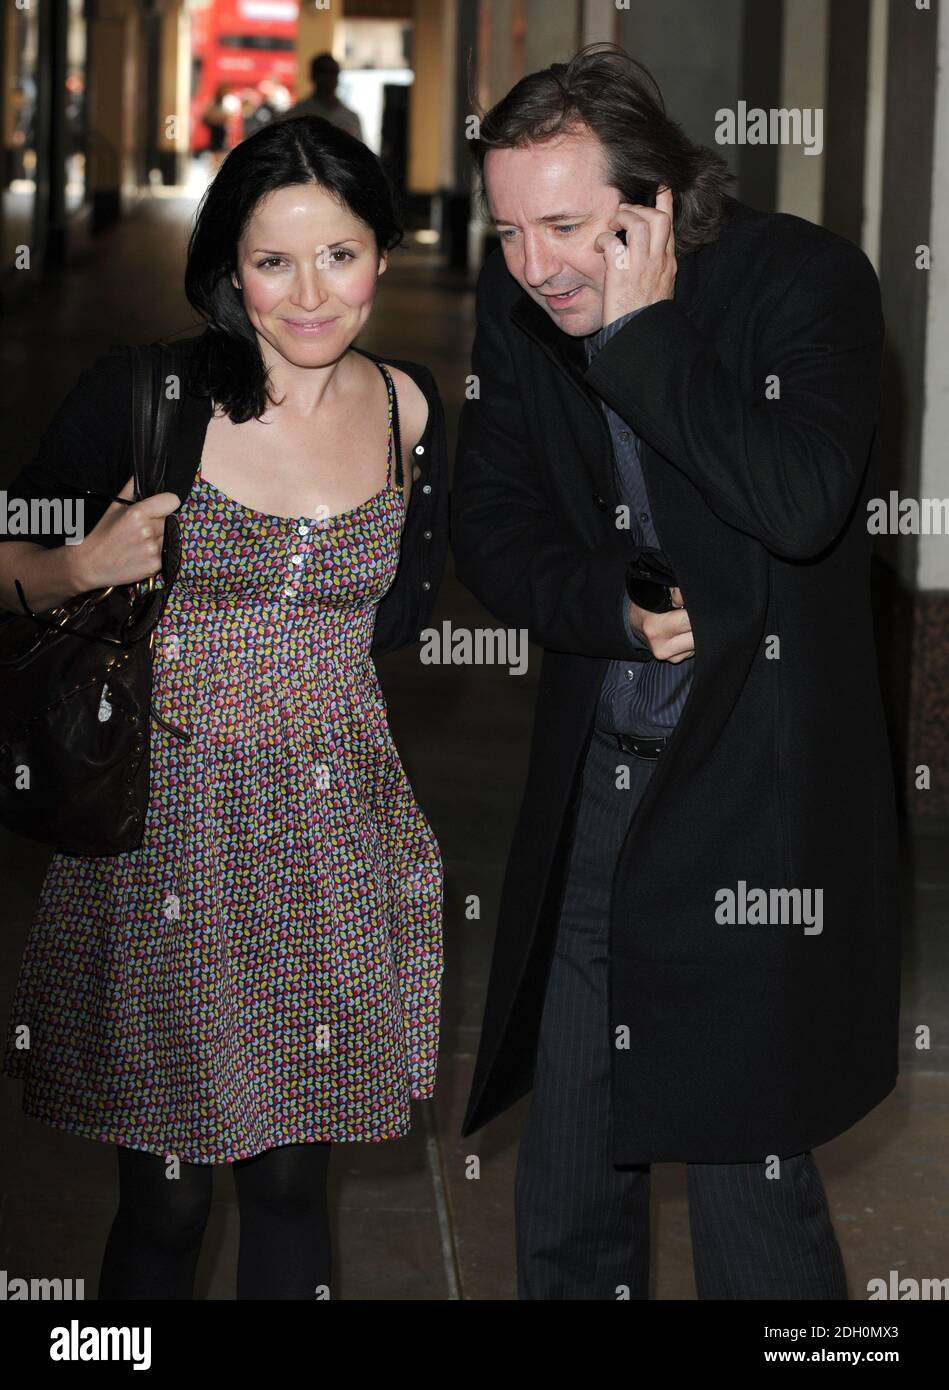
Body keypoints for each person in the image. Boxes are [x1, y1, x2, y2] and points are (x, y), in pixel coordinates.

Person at [451, 44, 900, 1300]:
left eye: (567, 226)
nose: (535, 267)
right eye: (507, 232)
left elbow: (801, 501)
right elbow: (488, 514)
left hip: (752, 805)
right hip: (603, 792)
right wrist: (604, 604)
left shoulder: (804, 283)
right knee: (571, 1178)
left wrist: (644, 335)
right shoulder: (521, 306)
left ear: (651, 205)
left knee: (749, 1189)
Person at [0, 114, 447, 1300]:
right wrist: (75, 571)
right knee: (168, 1192)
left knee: (295, 1183)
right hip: (166, 831)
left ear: (383, 254)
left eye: (339, 255)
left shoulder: (411, 412)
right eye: (272, 261)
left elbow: (402, 609)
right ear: (227, 268)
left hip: (331, 832)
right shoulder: (149, 395)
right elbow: (7, 561)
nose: (309, 295)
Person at [282, 53, 364, 143]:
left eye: (333, 72)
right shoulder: (296, 115)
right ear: (313, 75)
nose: (329, 78)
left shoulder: (350, 117)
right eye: (324, 72)